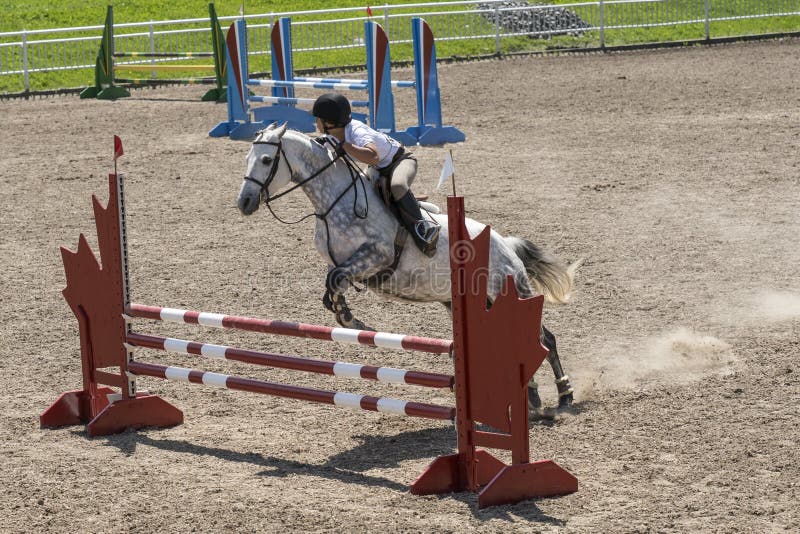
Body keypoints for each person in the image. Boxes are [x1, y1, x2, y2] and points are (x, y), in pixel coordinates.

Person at [311, 92, 439, 257]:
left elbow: (373, 156)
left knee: (397, 186)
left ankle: (423, 229)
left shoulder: (357, 131)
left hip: (400, 161)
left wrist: (345, 146)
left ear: (329, 122)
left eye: (318, 119)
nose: (316, 122)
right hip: (378, 168)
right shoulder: (330, 136)